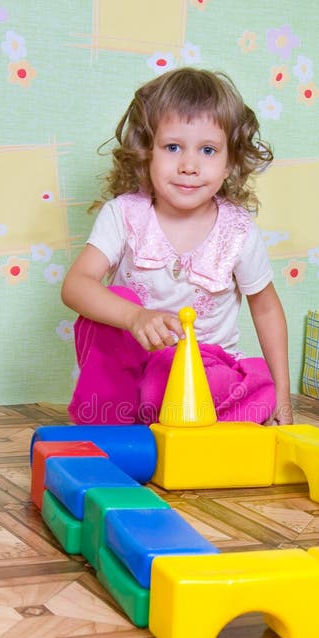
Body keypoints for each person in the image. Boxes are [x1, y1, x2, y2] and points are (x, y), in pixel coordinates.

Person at [61, 67, 293, 427]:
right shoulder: (124, 215)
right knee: (116, 303)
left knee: (258, 387)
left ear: (230, 160)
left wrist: (282, 393)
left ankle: (181, 418)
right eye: (172, 147)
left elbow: (265, 310)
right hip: (131, 373)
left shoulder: (237, 231)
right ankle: (111, 422)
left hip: (203, 371)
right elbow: (76, 285)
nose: (189, 165)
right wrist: (134, 317)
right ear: (146, 152)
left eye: (208, 150)